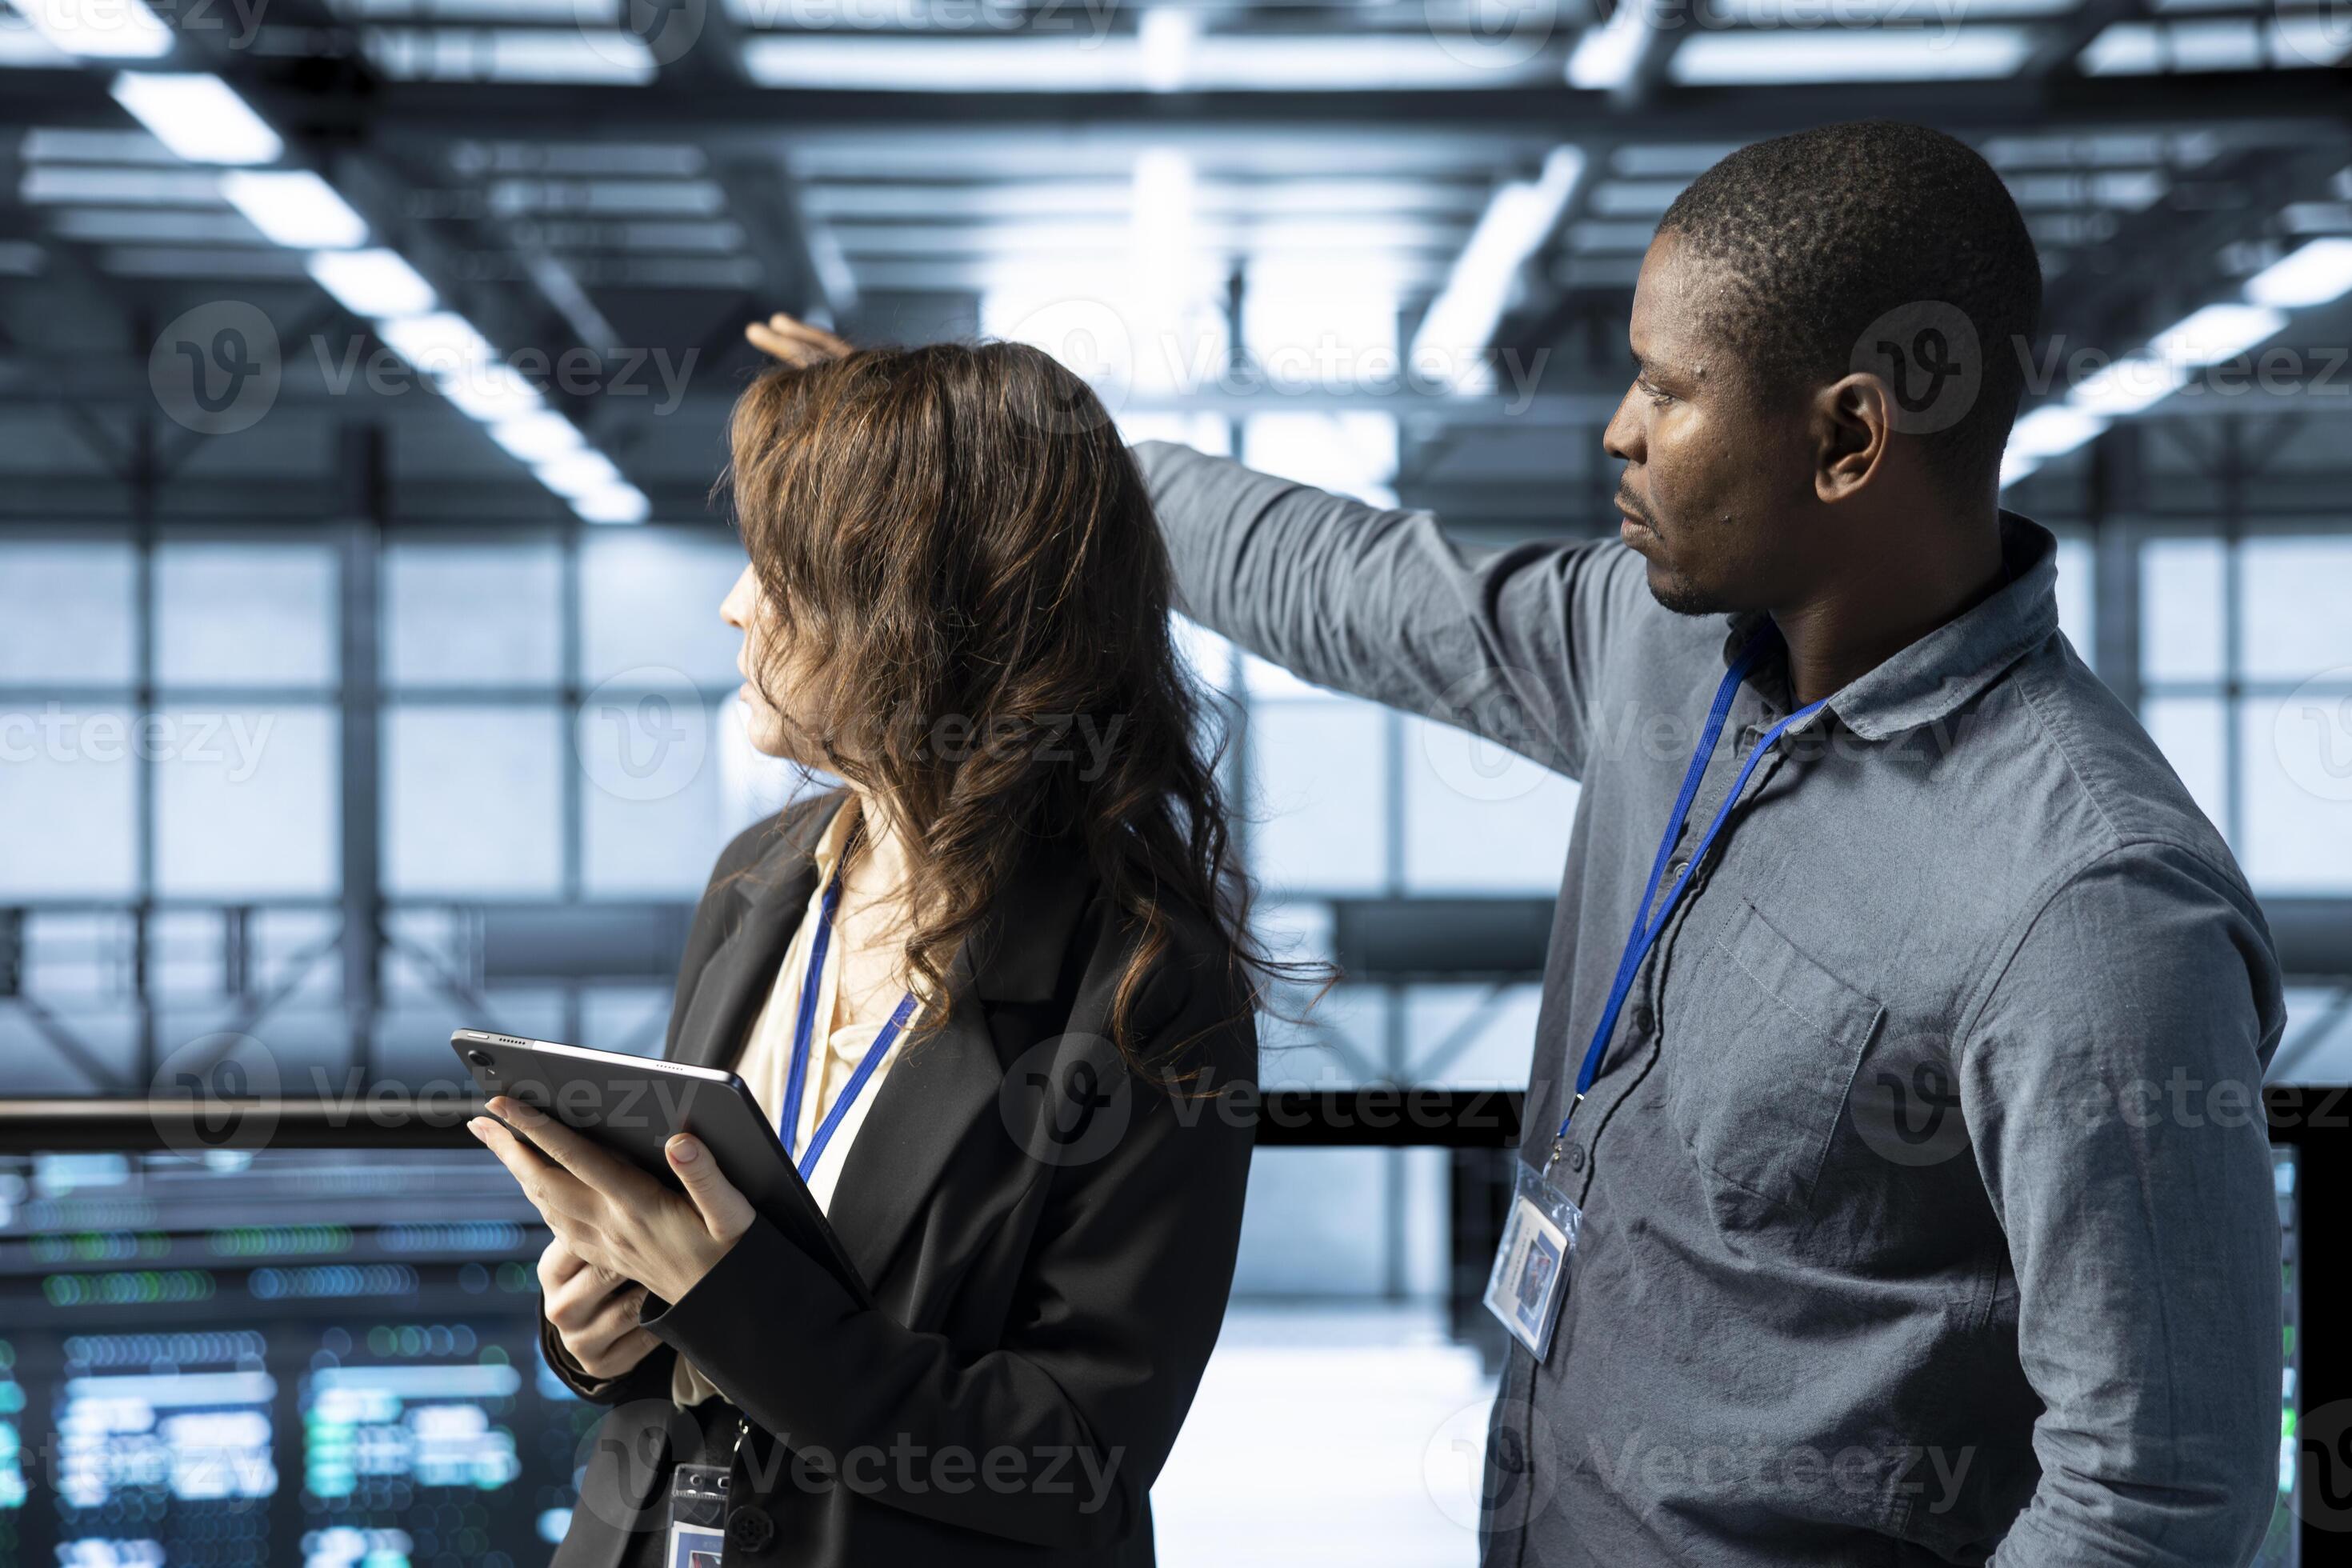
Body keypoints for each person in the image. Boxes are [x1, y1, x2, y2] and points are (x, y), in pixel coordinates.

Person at [755, 118, 2286, 1566]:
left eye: (1668, 393)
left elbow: (2156, 1493)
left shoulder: (2089, 905)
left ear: (1848, 436)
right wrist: (966, 461)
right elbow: (1343, 582)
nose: (1618, 431)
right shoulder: (1662, 652)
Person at [468, 341, 1271, 1566]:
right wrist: (594, 1322)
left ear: (918, 610)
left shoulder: (1147, 983)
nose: (736, 604)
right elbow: (675, 1304)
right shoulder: (761, 874)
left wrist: (727, 1299)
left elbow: (1071, 1460)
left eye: (779, 572)